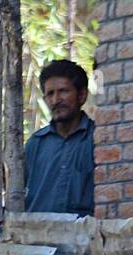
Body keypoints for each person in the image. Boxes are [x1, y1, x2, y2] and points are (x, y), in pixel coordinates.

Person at [25, 58, 95, 218]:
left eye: (63, 91)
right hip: (38, 237)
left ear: (82, 95)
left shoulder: (97, 140)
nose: (56, 100)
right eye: (50, 94)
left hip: (83, 238)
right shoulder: (35, 144)